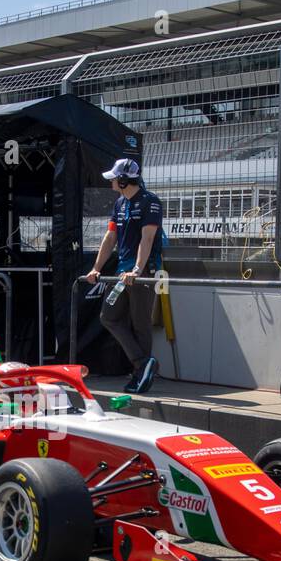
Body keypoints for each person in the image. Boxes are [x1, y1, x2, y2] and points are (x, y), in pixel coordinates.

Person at [86, 157, 165, 394]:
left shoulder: (150, 202)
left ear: (123, 180)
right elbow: (110, 238)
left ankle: (141, 375)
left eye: (114, 178)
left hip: (143, 273)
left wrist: (138, 270)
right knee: (108, 316)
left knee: (141, 324)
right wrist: (96, 268)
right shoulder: (120, 203)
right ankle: (143, 364)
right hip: (122, 273)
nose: (111, 181)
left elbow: (148, 238)